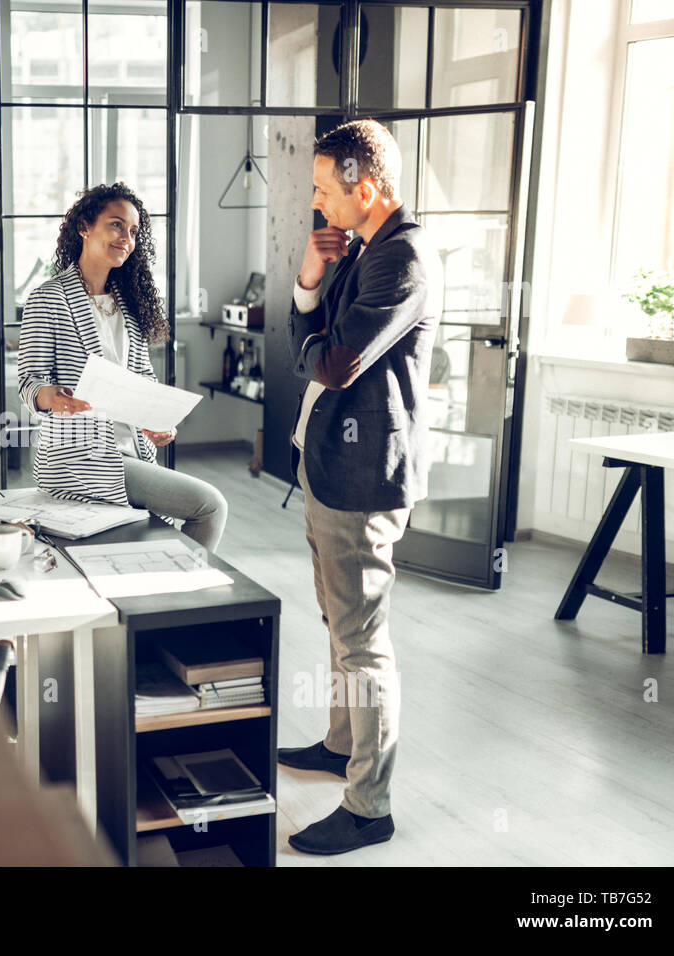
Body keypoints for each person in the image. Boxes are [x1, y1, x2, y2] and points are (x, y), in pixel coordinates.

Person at [279, 119, 442, 854]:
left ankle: (369, 806)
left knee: (362, 641)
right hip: (328, 468)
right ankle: (342, 744)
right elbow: (315, 336)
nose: (316, 201)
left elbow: (334, 363)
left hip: (363, 477)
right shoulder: (359, 249)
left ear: (365, 188)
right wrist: (309, 278)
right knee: (339, 625)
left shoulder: (402, 257)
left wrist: (312, 335)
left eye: (323, 187)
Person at [17, 182, 227, 553]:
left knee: (168, 532)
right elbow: (29, 382)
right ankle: (187, 587)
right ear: (84, 227)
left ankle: (167, 583)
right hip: (78, 457)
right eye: (116, 225)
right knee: (210, 506)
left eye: (133, 231)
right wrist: (53, 397)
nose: (126, 238)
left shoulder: (128, 304)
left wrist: (157, 420)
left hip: (131, 451)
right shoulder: (48, 297)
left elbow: (143, 378)